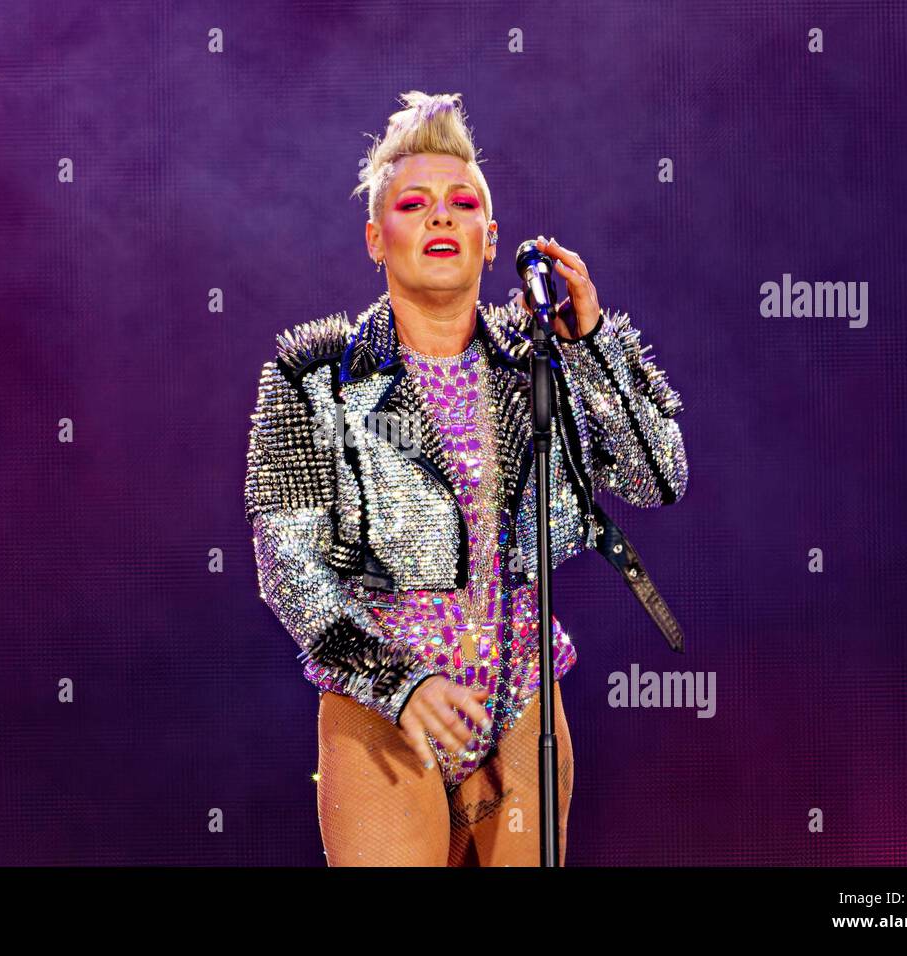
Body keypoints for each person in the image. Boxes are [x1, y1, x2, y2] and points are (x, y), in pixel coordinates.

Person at [243, 90, 689, 866]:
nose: (440, 216)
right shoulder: (316, 375)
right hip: (384, 697)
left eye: (462, 203)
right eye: (414, 203)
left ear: (491, 240)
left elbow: (659, 477)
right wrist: (397, 682)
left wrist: (592, 342)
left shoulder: (544, 361)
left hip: (520, 695)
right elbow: (287, 565)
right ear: (376, 239)